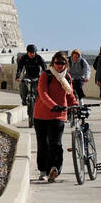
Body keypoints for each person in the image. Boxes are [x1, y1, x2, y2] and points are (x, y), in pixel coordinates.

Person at [33, 51, 76, 181]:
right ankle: (43, 170)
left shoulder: (67, 77)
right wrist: (53, 105)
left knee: (55, 144)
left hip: (59, 116)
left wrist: (75, 104)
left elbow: (69, 95)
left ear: (66, 64)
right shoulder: (46, 75)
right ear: (53, 63)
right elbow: (43, 93)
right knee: (43, 144)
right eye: (57, 63)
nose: (59, 65)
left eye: (62, 63)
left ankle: (55, 169)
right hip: (41, 115)